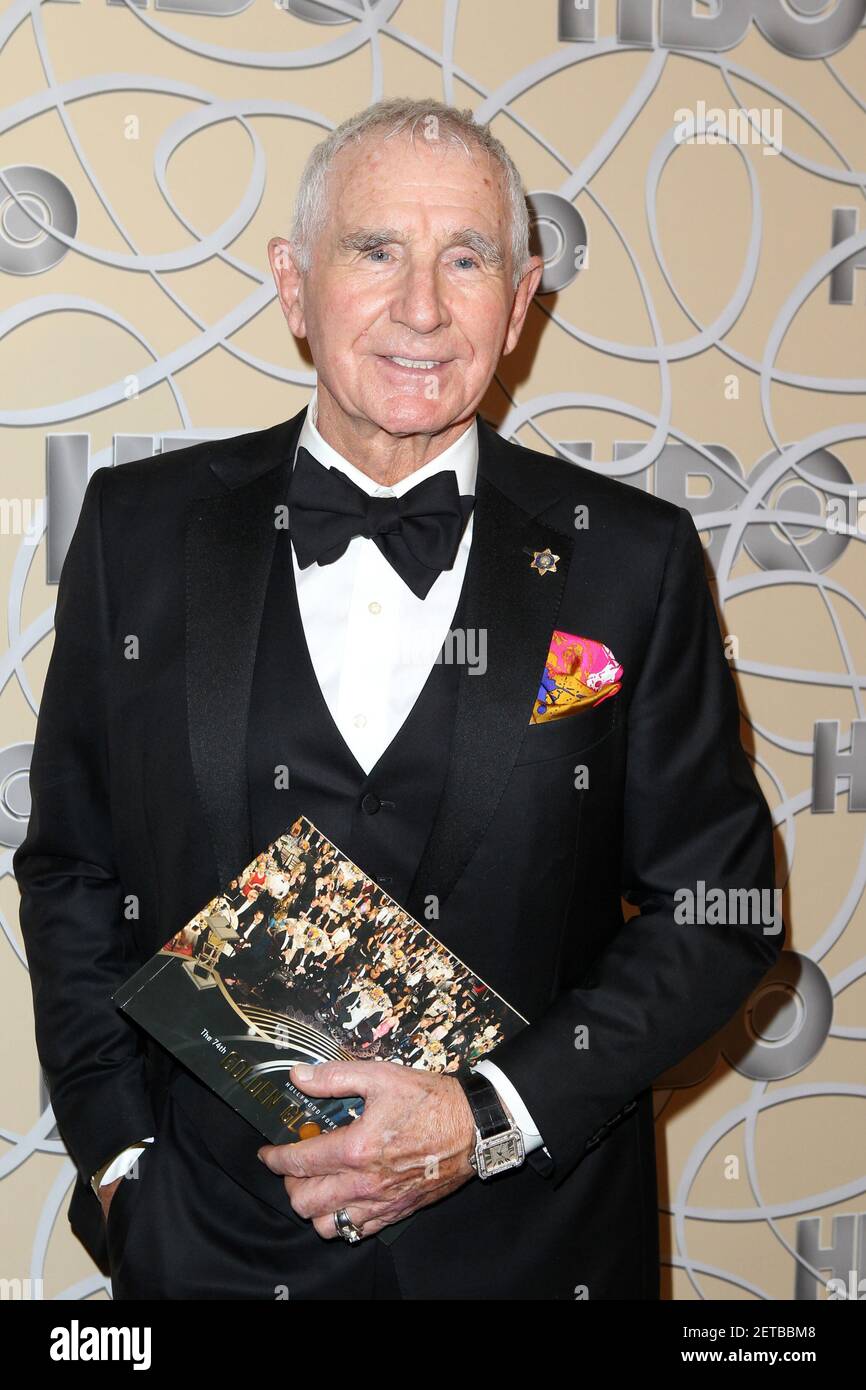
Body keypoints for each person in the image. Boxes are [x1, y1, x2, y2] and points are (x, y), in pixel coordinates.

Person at [14, 96, 782, 1300]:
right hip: (208, 1253)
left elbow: (719, 906)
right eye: (374, 250)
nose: (421, 307)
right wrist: (121, 1169)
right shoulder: (138, 535)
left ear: (518, 304)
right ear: (293, 285)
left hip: (532, 1259)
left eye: (464, 259)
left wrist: (487, 1115)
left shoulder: (629, 562)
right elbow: (71, 869)